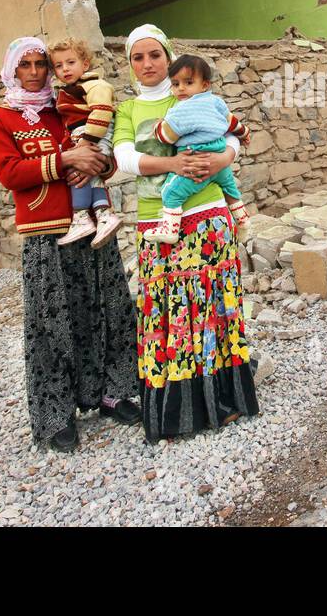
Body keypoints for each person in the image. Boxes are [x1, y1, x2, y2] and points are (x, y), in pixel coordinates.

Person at [0, 36, 140, 453]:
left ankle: (113, 393)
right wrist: (65, 161)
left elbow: (102, 153)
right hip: (44, 232)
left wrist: (97, 161)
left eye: (41, 65)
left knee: (109, 308)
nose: (35, 73)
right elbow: (11, 173)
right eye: (26, 65)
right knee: (51, 324)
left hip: (91, 226)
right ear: (12, 69)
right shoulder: (0, 118)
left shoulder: (67, 104)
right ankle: (56, 415)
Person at [110, 24, 259, 444]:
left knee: (212, 302)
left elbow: (232, 136)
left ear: (168, 55)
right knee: (167, 309)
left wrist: (221, 160)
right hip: (158, 220)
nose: (147, 64)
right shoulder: (128, 110)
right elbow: (125, 158)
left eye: (154, 54)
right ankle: (179, 411)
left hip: (208, 211)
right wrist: (174, 166)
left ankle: (222, 402)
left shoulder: (201, 96)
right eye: (137, 57)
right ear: (130, 64)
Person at [145, 53, 253, 244]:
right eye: (176, 83)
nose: (181, 88)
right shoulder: (216, 102)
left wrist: (158, 125)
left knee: (170, 192)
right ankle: (243, 222)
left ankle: (169, 229)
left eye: (188, 82)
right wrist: (244, 133)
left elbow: (166, 137)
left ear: (204, 85)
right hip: (220, 159)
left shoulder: (182, 109)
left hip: (195, 160)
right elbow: (232, 123)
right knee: (231, 191)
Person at [48, 37, 122, 248]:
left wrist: (85, 142)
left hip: (93, 133)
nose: (65, 69)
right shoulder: (72, 89)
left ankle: (80, 215)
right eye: (59, 65)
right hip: (86, 133)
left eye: (71, 62)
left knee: (75, 169)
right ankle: (104, 214)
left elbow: (102, 111)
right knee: (93, 176)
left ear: (85, 64)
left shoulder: (94, 85)